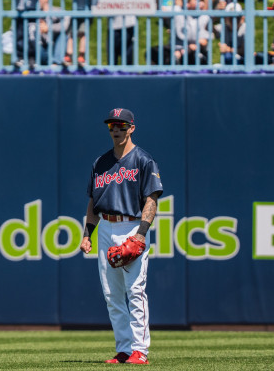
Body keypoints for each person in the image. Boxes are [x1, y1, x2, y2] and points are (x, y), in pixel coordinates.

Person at [80, 107, 163, 366]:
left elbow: (151, 200)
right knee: (112, 294)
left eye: (121, 125)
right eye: (112, 126)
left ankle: (141, 350)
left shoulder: (143, 160)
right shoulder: (100, 162)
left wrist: (140, 235)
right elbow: (93, 203)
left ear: (132, 128)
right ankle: (124, 349)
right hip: (105, 226)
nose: (116, 130)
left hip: (132, 225)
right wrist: (87, 234)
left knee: (135, 291)